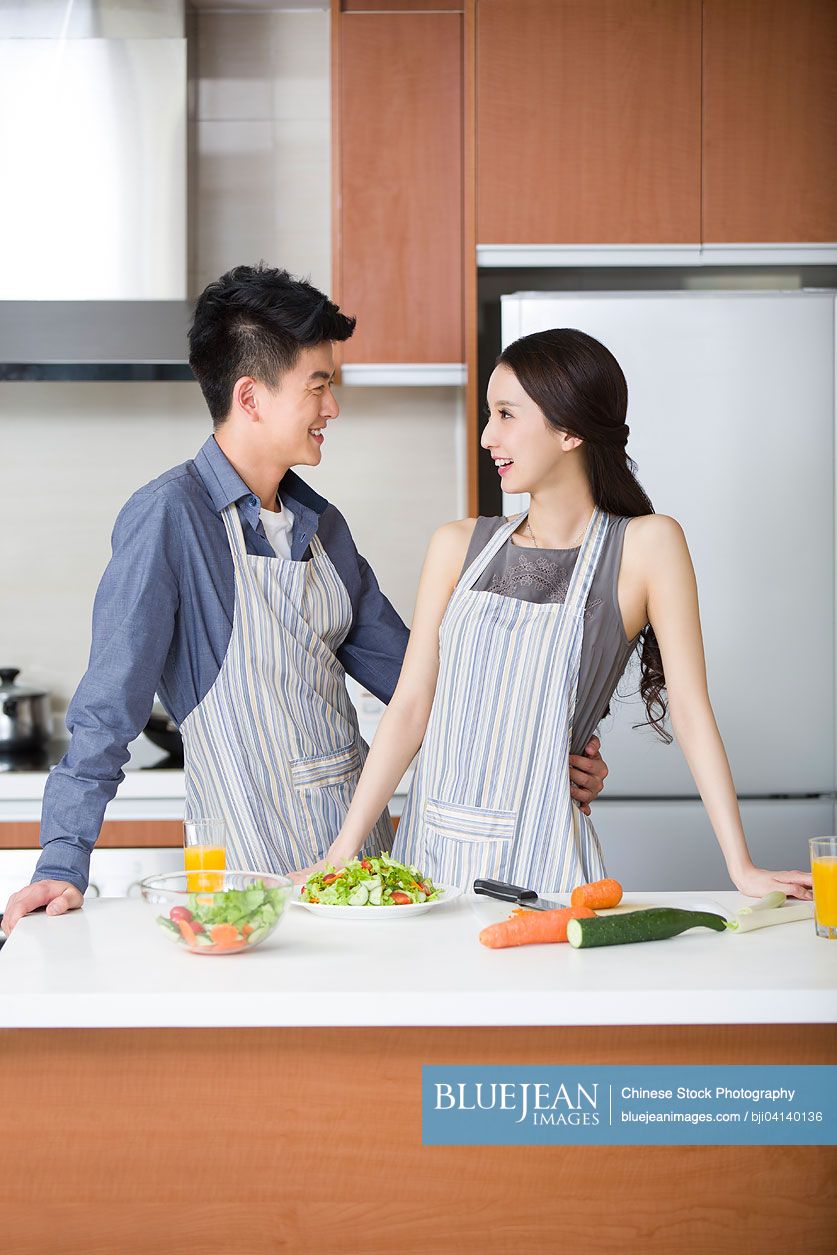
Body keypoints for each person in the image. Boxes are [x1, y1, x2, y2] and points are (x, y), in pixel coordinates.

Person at [1, 271, 609, 933]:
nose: (332, 408)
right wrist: (61, 860)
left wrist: (552, 747)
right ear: (251, 396)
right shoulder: (170, 518)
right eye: (318, 385)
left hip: (354, 863)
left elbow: (423, 682)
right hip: (250, 873)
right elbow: (105, 710)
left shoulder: (322, 525)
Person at [294, 328, 813, 901]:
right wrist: (338, 856)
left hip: (551, 865)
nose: (489, 436)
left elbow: (690, 712)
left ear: (569, 430)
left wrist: (740, 867)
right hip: (431, 858)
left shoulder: (647, 546)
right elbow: (412, 709)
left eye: (506, 414)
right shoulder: (456, 545)